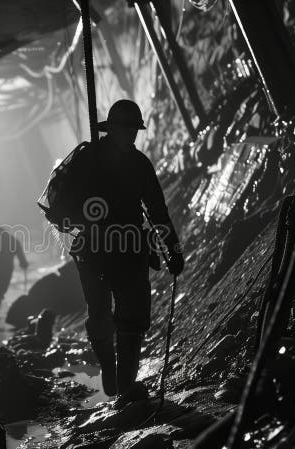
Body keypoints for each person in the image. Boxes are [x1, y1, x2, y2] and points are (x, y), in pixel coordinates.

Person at [69, 99, 184, 398]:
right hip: (95, 249)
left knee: (132, 317)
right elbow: (68, 207)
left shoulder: (138, 164)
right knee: (99, 315)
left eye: (134, 129)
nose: (132, 135)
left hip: (129, 249)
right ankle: (109, 364)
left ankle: (125, 385)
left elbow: (158, 211)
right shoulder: (88, 159)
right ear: (113, 129)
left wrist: (173, 249)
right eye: (127, 129)